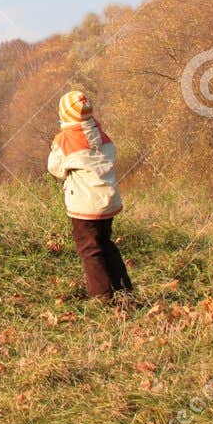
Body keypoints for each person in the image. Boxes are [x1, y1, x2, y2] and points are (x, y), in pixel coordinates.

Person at [47, 89, 133, 300]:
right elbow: (110, 157)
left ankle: (101, 297)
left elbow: (54, 168)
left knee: (89, 250)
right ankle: (124, 291)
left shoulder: (65, 139)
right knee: (106, 244)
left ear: (64, 115)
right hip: (109, 201)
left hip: (84, 207)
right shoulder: (102, 135)